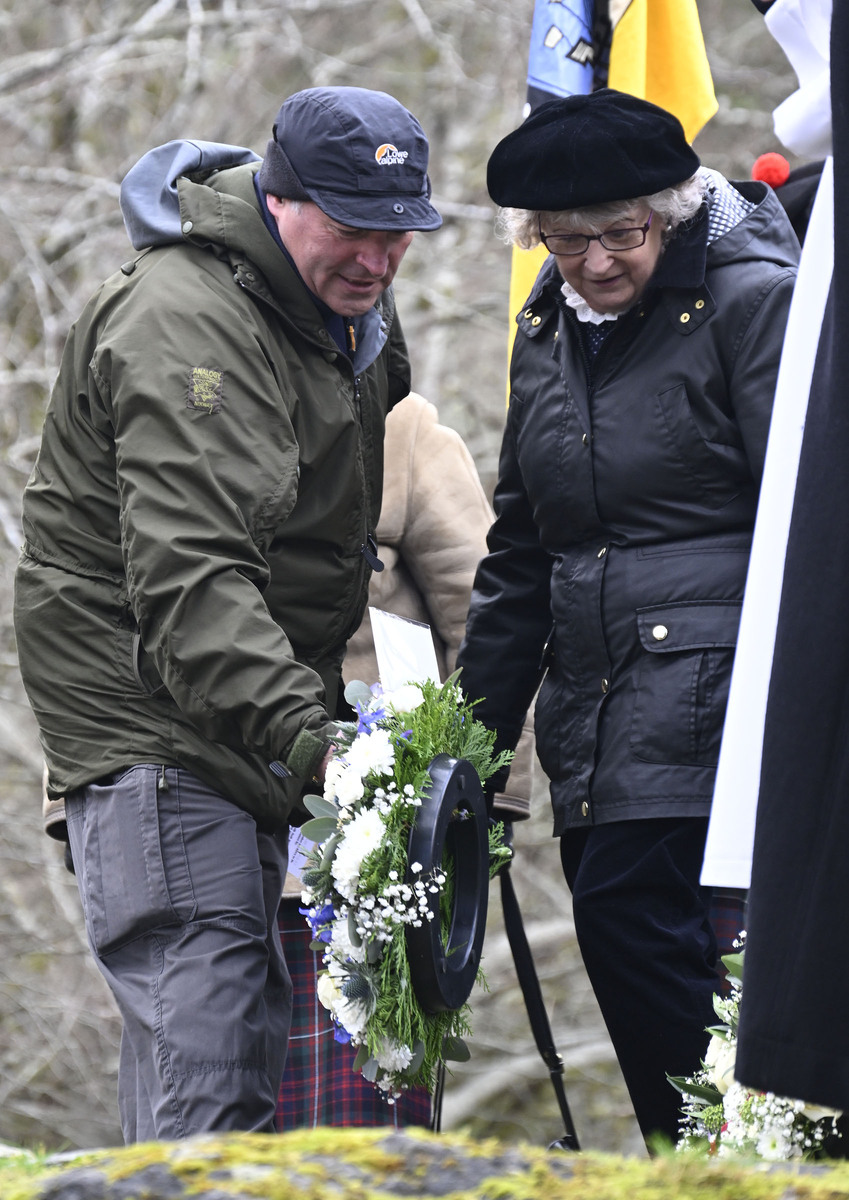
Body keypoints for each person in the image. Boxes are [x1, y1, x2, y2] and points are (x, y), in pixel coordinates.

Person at [14, 85, 441, 1143]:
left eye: (399, 236)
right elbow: (193, 582)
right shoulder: (188, 322)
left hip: (235, 726)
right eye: (352, 229)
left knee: (241, 1070)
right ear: (280, 198)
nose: (379, 261)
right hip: (156, 725)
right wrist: (323, 746)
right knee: (202, 1087)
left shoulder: (337, 316)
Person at [455, 88, 798, 1147]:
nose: (596, 262)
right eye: (566, 241)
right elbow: (522, 553)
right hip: (599, 725)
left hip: (734, 716)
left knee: (706, 974)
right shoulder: (547, 328)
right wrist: (466, 744)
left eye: (622, 233)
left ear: (677, 211)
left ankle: (759, 1165)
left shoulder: (753, 303)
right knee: (627, 956)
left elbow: (808, 514)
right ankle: (696, 1167)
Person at [275, 391, 534, 1129]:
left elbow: (488, 617)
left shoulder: (404, 431)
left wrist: (474, 813)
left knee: (367, 1115)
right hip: (221, 835)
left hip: (379, 854)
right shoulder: (190, 411)